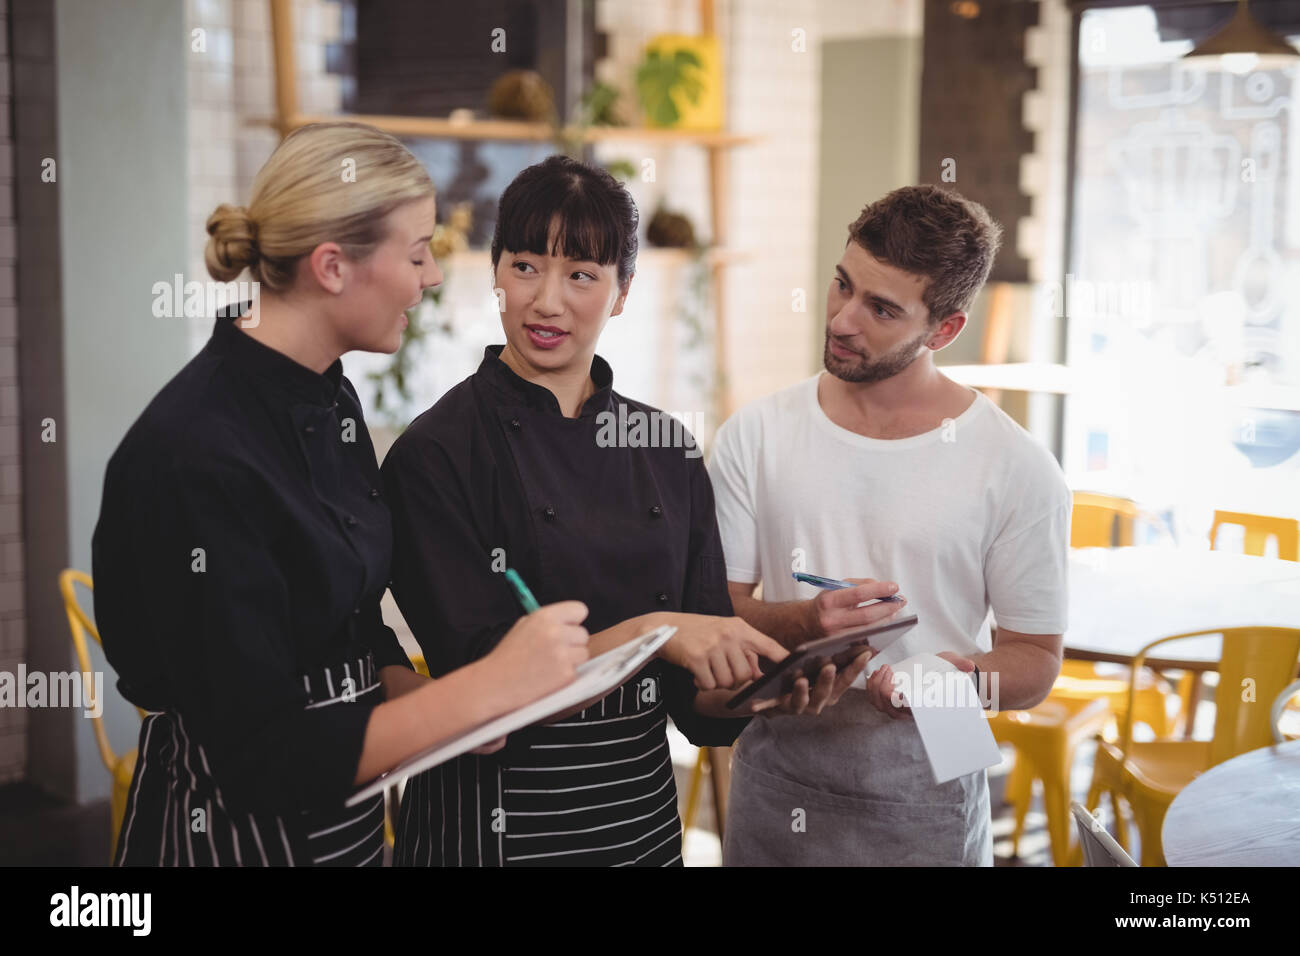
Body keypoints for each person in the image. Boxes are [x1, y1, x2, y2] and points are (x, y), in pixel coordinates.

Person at [92, 122, 589, 867]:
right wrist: (480, 688)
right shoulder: (196, 456)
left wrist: (425, 706)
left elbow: (352, 621)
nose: (430, 277)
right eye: (417, 253)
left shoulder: (328, 395)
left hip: (346, 821)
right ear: (331, 267)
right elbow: (263, 757)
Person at [382, 155, 841, 867]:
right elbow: (487, 686)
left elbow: (695, 705)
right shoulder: (436, 454)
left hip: (636, 825)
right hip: (492, 826)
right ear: (496, 271)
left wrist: (770, 693)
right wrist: (657, 632)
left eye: (582, 275)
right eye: (526, 266)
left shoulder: (667, 449)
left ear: (622, 291)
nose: (547, 302)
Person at [708, 184, 1070, 866]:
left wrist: (952, 680)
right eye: (841, 285)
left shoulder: (1016, 467)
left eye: (880, 309)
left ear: (944, 330)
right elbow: (717, 614)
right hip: (776, 790)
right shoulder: (754, 436)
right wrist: (805, 626)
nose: (843, 320)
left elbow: (1035, 661)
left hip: (927, 797)